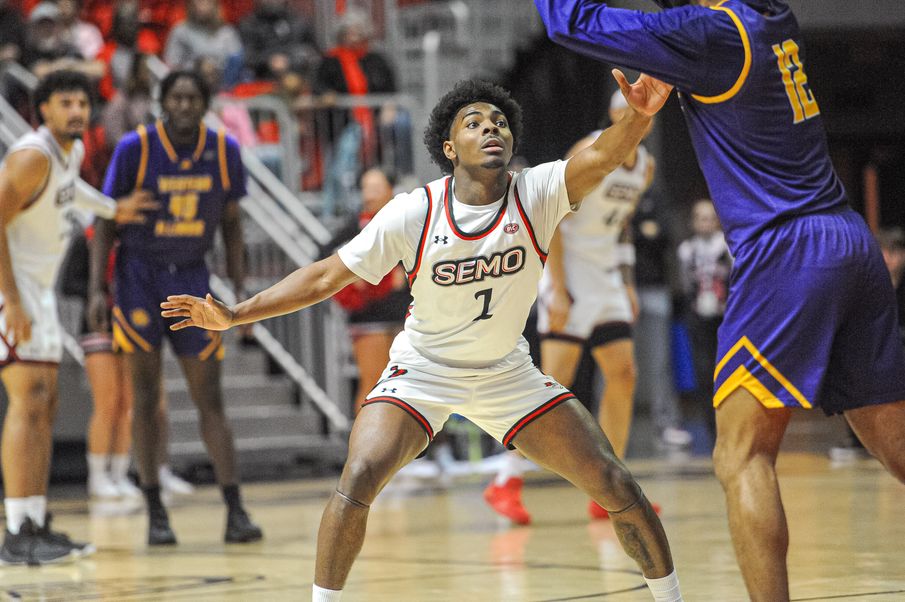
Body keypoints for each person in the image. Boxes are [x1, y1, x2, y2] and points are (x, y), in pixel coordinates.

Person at [162, 77, 684, 602]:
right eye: (474, 123)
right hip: (424, 370)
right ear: (450, 148)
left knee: (617, 485)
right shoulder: (415, 211)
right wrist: (235, 314)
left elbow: (601, 157)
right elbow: (325, 276)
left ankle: (672, 597)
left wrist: (638, 120)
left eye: (499, 122)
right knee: (361, 472)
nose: (491, 128)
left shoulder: (538, 190)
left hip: (507, 372)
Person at [536, 1, 905, 600]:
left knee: (739, 457)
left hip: (788, 252)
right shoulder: (771, 16)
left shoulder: (710, 33)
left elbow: (568, 21)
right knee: (895, 442)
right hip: (847, 239)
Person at [89, 70, 262, 546]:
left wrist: (240, 291)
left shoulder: (223, 150)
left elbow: (232, 223)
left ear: (204, 103)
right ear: (164, 102)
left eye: (193, 98)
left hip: (192, 277)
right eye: (176, 98)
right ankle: (155, 513)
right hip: (138, 278)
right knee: (144, 399)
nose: (184, 105)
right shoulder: (135, 148)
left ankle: (235, 508)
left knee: (212, 400)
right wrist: (95, 293)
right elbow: (104, 220)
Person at [0, 70, 156, 565]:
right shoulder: (31, 156)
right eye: (64, 102)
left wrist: (114, 208)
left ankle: (34, 519)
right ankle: (16, 532)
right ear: (42, 110)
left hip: (36, 291)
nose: (76, 111)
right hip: (11, 291)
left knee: (44, 403)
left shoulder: (73, 154)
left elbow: (75, 193)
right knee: (27, 402)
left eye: (82, 103)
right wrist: (14, 302)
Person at [485, 90, 654, 525]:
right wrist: (556, 285)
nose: (635, 123)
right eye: (626, 115)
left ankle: (609, 488)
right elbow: (552, 212)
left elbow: (623, 225)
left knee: (623, 375)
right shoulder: (589, 150)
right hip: (568, 271)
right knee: (552, 387)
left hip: (605, 276)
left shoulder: (646, 167)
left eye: (642, 117)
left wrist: (628, 281)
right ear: (614, 117)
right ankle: (505, 479)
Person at [324, 167, 409, 413]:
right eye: (365, 189)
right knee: (374, 384)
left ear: (391, 191)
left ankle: (425, 448)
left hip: (406, 315)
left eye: (376, 188)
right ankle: (365, 450)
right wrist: (353, 277)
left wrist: (406, 275)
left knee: (412, 386)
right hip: (369, 319)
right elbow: (324, 258)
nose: (369, 195)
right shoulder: (355, 226)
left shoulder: (405, 221)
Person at [677, 199, 732, 441]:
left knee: (728, 371)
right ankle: (713, 430)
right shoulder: (687, 250)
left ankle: (732, 426)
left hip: (725, 318)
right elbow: (684, 284)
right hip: (698, 318)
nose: (705, 222)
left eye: (710, 217)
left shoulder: (728, 246)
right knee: (704, 372)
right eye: (700, 217)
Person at [238, 0, 320, 81]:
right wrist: (269, 60)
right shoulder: (249, 24)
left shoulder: (300, 20)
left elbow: (316, 52)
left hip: (300, 79)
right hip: (265, 81)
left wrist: (299, 57)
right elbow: (248, 57)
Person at [164, 0, 243, 82]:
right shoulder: (180, 31)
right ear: (190, 5)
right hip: (190, 85)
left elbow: (236, 63)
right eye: (197, 2)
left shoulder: (227, 32)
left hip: (223, 86)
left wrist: (214, 69)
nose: (200, 6)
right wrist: (197, 66)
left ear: (215, 5)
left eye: (206, 2)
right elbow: (172, 66)